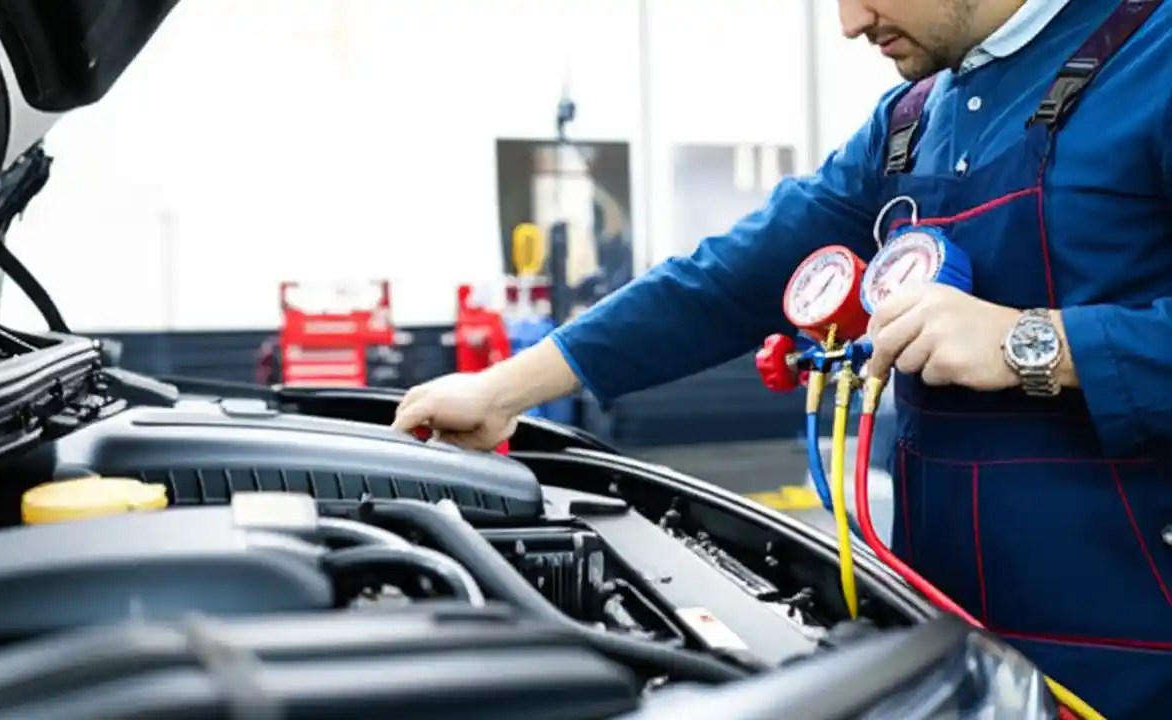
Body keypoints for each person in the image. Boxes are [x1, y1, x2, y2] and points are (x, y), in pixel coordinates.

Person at [393, 1, 1172, 715]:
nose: (848, 21)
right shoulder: (911, 121)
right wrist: (504, 390)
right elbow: (730, 278)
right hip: (945, 639)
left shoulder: (1156, 54)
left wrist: (1035, 344)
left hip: (1133, 651)